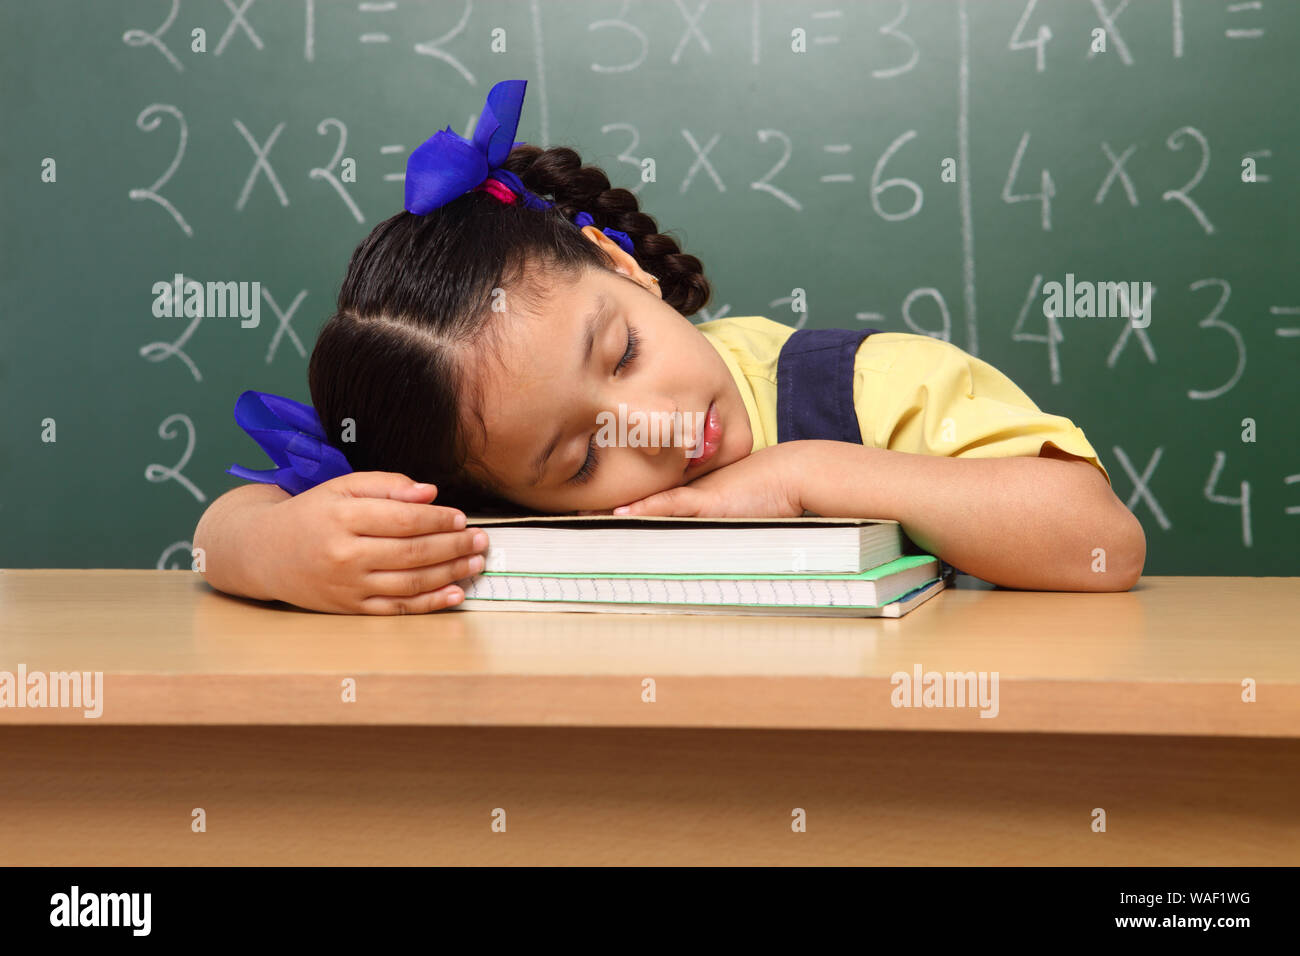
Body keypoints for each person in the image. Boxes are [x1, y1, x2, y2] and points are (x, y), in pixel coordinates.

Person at [194, 80, 1145, 614]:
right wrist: (277, 550)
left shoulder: (871, 388)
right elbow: (229, 526)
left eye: (621, 358)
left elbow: (1102, 541)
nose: (651, 426)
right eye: (577, 459)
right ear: (497, 495)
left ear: (624, 266)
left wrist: (807, 475)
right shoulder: (479, 445)